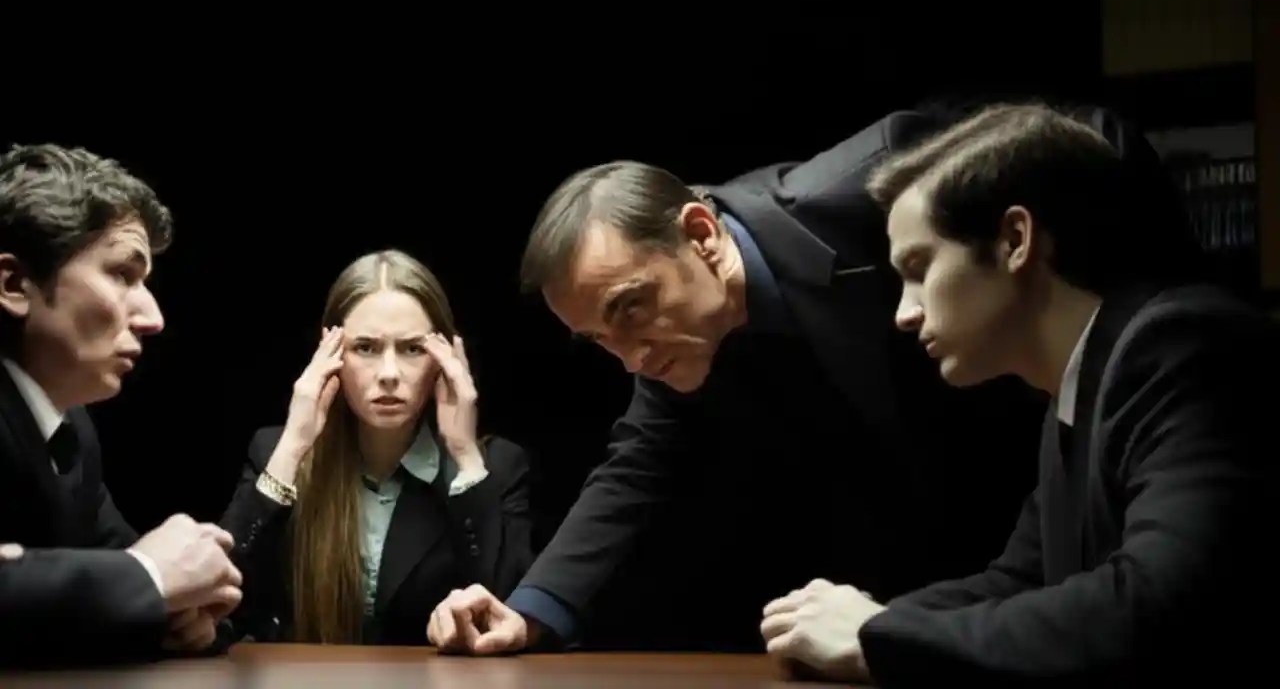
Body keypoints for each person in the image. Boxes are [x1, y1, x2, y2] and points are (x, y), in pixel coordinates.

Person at [426, 104, 1192, 654]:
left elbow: (1095, 141)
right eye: (600, 342)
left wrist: (1124, 342)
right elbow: (636, 467)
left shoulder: (882, 181)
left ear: (700, 235)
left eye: (633, 310)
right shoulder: (677, 340)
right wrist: (528, 612)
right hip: (975, 577)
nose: (629, 357)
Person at [760, 103, 1276, 685]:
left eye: (918, 268)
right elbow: (1022, 581)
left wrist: (874, 636)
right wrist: (861, 623)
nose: (904, 314)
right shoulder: (1080, 384)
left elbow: (1158, 602)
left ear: (1014, 239)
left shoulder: (1183, 345)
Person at [0, 144, 243, 667]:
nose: (152, 317)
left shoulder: (70, 429)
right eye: (121, 275)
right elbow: (135, 575)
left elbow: (122, 587)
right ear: (14, 284)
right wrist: (150, 580)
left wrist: (184, 613)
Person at [218, 249, 533, 646]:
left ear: (445, 359)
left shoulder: (495, 468)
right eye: (365, 348)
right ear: (330, 355)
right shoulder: (275, 452)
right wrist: (293, 446)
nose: (388, 374)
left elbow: (510, 621)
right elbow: (219, 602)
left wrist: (465, 456)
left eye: (412, 349)